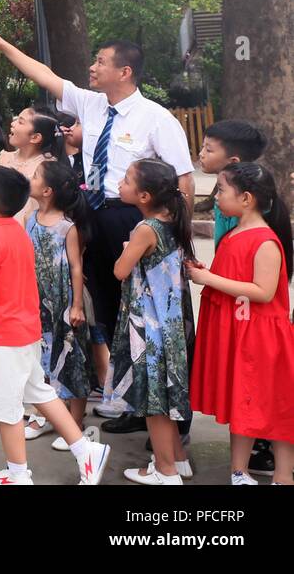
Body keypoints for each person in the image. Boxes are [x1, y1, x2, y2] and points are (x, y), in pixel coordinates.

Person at [0, 19, 194, 439]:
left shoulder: (156, 118)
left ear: (124, 72)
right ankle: (134, 403)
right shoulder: (92, 105)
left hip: (138, 222)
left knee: (155, 319)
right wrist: (1, 44)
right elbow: (44, 75)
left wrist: (177, 240)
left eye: (100, 61)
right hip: (95, 217)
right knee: (113, 314)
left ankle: (174, 422)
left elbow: (182, 181)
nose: (92, 68)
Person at [0, 165, 111, 485]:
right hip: (26, 330)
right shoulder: (17, 230)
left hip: (2, 334)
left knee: (6, 406)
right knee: (40, 393)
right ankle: (85, 450)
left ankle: (18, 473)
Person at [187, 162, 294, 485]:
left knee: (276, 408)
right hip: (243, 333)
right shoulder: (235, 234)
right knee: (243, 404)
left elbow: (262, 292)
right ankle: (239, 471)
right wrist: (210, 274)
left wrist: (209, 279)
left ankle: (283, 476)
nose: (216, 196)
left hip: (262, 339)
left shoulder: (264, 240)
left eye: (221, 190)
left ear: (246, 198)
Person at [195, 118, 274, 478]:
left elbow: (263, 283)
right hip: (234, 306)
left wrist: (211, 277)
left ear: (233, 162)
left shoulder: (257, 223)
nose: (201, 153)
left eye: (210, 149)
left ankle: (265, 447)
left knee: (256, 384)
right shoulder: (227, 205)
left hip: (251, 316)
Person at [107, 159, 194, 485]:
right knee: (166, 398)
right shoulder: (172, 221)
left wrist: (129, 247)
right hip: (169, 325)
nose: (120, 183)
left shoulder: (145, 229)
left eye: (127, 179)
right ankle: (178, 459)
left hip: (151, 326)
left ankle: (165, 471)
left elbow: (119, 270)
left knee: (154, 405)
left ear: (144, 196)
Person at [23, 160, 92, 446]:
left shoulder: (67, 227)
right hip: (38, 303)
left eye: (36, 176)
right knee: (43, 358)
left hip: (64, 302)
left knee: (72, 357)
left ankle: (75, 422)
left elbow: (76, 267)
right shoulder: (31, 220)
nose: (31, 177)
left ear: (48, 191)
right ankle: (47, 413)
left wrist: (76, 305)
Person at [0, 108, 65, 226]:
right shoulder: (3, 157)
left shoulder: (47, 167)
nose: (13, 124)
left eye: (20, 122)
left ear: (35, 137)